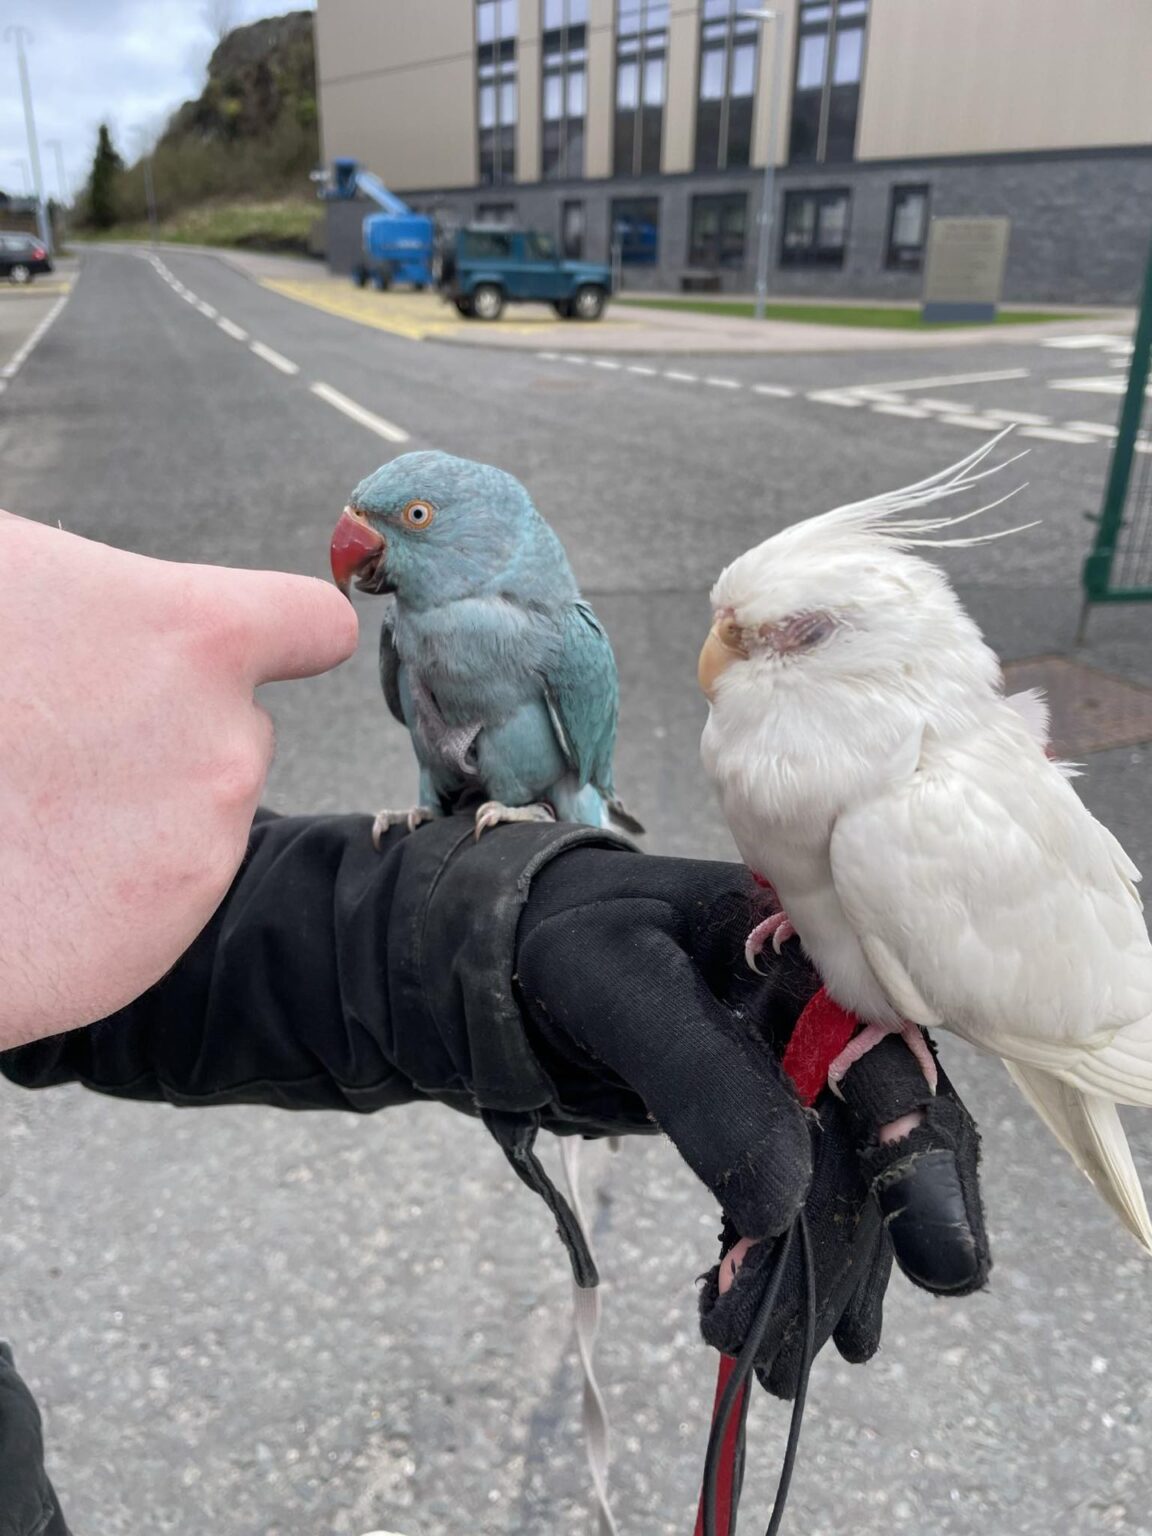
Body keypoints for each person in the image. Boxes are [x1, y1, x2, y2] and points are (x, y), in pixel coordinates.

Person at [0, 513, 989, 1532]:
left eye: (412, 518)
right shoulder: (408, 638)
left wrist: (489, 937)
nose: (369, 539)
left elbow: (92, 986)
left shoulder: (562, 638)